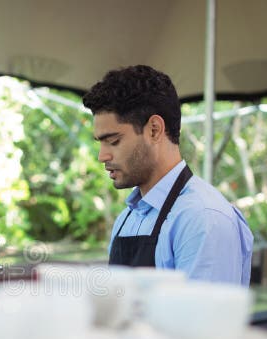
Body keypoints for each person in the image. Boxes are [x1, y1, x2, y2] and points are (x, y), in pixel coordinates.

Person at [82, 65, 253, 285]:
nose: (102, 156)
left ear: (154, 129)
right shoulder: (127, 218)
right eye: (100, 143)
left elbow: (204, 319)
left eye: (113, 141)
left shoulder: (202, 217)